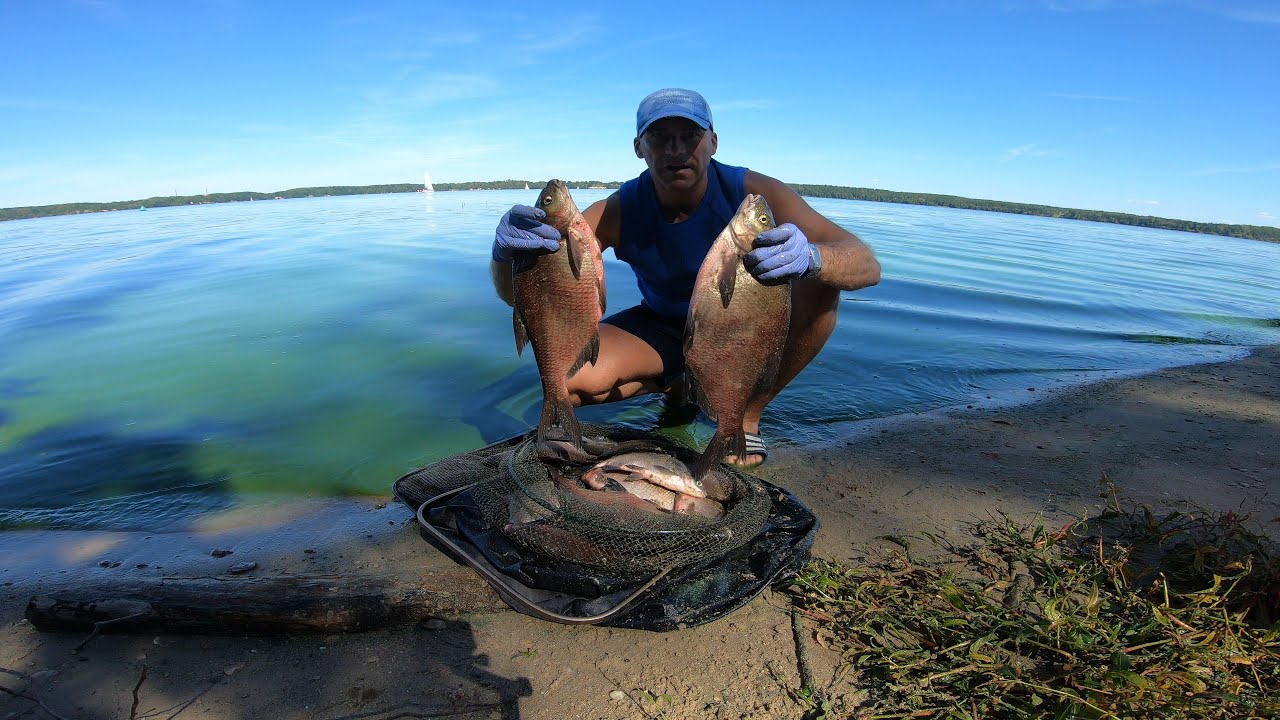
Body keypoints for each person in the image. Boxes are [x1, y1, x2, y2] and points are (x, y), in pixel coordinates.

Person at [490, 88, 881, 468]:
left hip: (737, 331)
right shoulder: (617, 210)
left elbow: (866, 265)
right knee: (569, 385)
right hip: (663, 324)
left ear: (712, 141)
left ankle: (745, 417)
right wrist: (507, 256)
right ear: (638, 147)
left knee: (822, 285)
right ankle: (680, 385)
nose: (675, 150)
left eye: (690, 136)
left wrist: (812, 257)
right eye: (659, 137)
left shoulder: (754, 195)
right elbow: (525, 298)